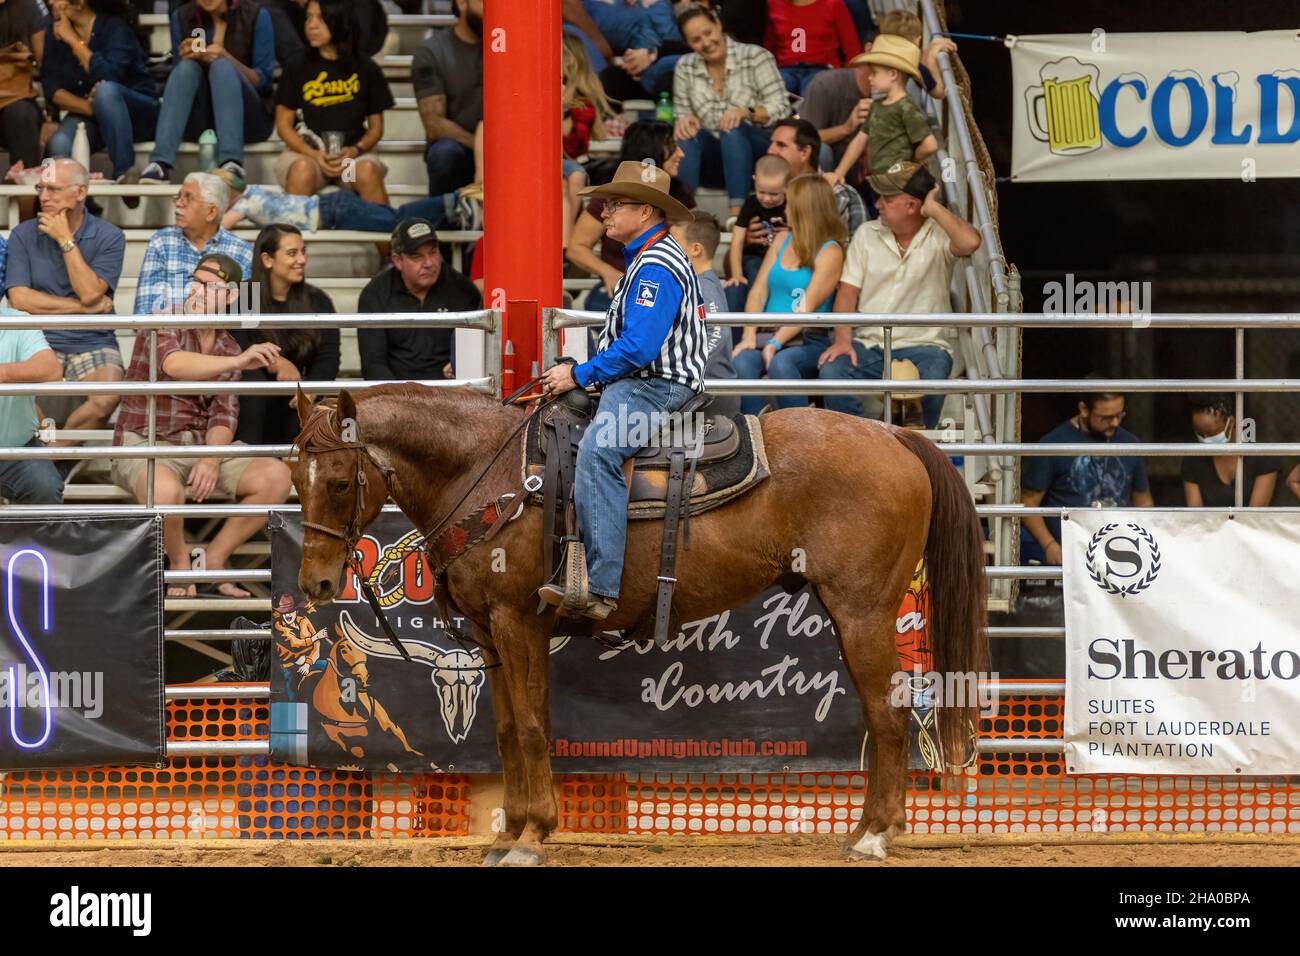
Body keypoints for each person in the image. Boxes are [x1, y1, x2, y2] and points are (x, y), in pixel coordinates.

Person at [537, 161, 707, 621]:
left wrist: (580, 375)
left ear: (647, 211)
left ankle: (600, 586)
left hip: (655, 387)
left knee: (598, 451)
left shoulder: (654, 265)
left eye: (615, 204)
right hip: (647, 381)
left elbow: (639, 348)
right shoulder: (652, 257)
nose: (604, 211)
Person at [113, 253, 293, 598]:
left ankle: (214, 559)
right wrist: (240, 359)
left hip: (197, 444)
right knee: (165, 491)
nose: (195, 291)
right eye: (194, 282)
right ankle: (180, 563)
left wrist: (210, 458)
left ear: (230, 297)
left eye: (208, 286)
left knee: (277, 475)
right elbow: (175, 365)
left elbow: (224, 414)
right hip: (145, 441)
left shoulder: (227, 343)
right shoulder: (164, 320)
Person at [819, 161, 980, 428]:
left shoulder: (939, 234)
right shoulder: (866, 233)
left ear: (913, 205)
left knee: (934, 379)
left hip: (926, 344)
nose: (878, 204)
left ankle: (915, 452)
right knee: (832, 371)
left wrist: (934, 208)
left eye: (887, 198)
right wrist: (843, 339)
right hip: (870, 343)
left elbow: (971, 242)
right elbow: (847, 293)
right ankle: (861, 444)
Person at [5, 158, 125, 444]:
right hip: (39, 339)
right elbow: (20, 299)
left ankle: (54, 456)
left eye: (54, 189)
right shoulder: (23, 234)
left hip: (92, 340)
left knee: (108, 395)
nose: (43, 197)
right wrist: (84, 309)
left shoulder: (109, 236)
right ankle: (44, 460)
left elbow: (89, 292)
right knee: (19, 398)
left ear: (80, 193)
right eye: (40, 188)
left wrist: (65, 240)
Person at [736, 173, 845, 411]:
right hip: (766, 333)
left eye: (790, 204)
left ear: (804, 209)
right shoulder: (783, 238)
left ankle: (799, 438)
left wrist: (775, 343)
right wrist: (748, 336)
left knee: (783, 363)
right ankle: (756, 436)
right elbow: (758, 292)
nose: (785, 209)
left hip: (806, 338)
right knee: (742, 361)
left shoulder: (831, 251)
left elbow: (807, 306)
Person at [672, 4, 791, 220]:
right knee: (685, 135)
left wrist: (746, 112)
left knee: (732, 129)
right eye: (696, 40)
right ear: (688, 43)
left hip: (757, 152)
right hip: (714, 157)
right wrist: (685, 120)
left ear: (718, 24)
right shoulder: (684, 66)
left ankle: (738, 215)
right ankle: (683, 214)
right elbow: (682, 114)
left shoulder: (755, 56)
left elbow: (782, 108)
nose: (706, 43)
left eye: (708, 33)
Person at [140, 0, 276, 183]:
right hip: (201, 118)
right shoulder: (182, 17)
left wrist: (227, 58)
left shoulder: (256, 15)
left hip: (247, 118)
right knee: (186, 68)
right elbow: (180, 79)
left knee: (222, 67)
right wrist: (189, 58)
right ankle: (160, 163)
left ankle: (231, 162)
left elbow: (264, 81)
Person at [273, 0, 393, 205]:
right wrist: (313, 154)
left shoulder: (365, 67)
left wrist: (355, 150)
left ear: (339, 21)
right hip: (310, 158)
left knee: (366, 171)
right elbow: (284, 126)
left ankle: (390, 237)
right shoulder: (297, 65)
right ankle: (290, 237)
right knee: (302, 171)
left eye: (320, 18)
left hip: (349, 161)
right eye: (308, 17)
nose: (311, 25)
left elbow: (376, 128)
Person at [566, 120, 692, 314]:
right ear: (653, 149)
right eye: (673, 146)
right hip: (619, 288)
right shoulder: (613, 195)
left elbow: (696, 244)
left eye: (615, 205)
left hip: (664, 284)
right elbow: (576, 247)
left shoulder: (681, 193)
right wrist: (609, 272)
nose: (681, 153)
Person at [1020, 390, 1155, 566]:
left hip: (1120, 552)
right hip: (1070, 552)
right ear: (1084, 409)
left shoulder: (1130, 442)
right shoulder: (1053, 444)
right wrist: (1049, 545)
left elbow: (1143, 501)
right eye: (1105, 417)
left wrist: (1149, 539)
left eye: (1119, 415)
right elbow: (1028, 502)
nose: (1115, 423)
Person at [233, 224, 339, 446]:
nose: (301, 259)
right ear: (267, 260)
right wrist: (275, 361)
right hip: (251, 402)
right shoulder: (247, 295)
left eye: (303, 251)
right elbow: (236, 344)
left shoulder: (317, 300)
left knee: (308, 404)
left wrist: (312, 389)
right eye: (292, 253)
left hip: (297, 395)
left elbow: (327, 357)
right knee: (252, 383)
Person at [42, 0, 158, 196]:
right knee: (60, 142)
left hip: (134, 111)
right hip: (89, 114)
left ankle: (125, 174)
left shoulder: (115, 27)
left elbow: (109, 76)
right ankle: (76, 206)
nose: (51, 2)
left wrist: (73, 41)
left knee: (106, 91)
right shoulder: (54, 33)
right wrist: (91, 107)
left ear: (79, 3)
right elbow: (53, 91)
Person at [357, 219, 482, 382]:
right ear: (397, 260)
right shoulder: (374, 294)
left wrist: (460, 367)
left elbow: (473, 358)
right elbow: (373, 364)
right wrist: (397, 400)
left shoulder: (463, 290)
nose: (429, 263)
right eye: (417, 257)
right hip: (396, 395)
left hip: (450, 394)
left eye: (433, 252)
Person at [134, 171, 252, 315]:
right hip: (168, 336)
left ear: (211, 212)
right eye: (178, 197)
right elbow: (144, 311)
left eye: (188, 199)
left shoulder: (243, 252)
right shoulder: (161, 242)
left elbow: (245, 316)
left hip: (219, 336)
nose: (178, 204)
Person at [217, 168, 475, 233]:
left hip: (332, 211)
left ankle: (450, 203)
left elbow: (219, 227)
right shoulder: (254, 190)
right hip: (333, 206)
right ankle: (450, 208)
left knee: (396, 221)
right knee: (395, 216)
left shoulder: (245, 203)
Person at [826, 34, 938, 184]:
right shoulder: (877, 105)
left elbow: (930, 145)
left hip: (899, 184)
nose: (869, 78)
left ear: (893, 75)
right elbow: (859, 140)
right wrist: (839, 172)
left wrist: (910, 162)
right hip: (880, 180)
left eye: (874, 73)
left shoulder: (907, 108)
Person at [670, 210, 739, 417]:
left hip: (711, 395)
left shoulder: (703, 287)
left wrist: (683, 367)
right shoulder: (698, 283)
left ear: (696, 249)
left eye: (674, 241)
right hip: (704, 390)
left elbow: (717, 332)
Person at [412, 0, 482, 196]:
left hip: (501, 147)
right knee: (445, 153)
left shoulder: (506, 46)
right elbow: (434, 124)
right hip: (461, 147)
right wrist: (481, 146)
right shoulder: (432, 51)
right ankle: (447, 219)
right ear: (461, 3)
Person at [767, 117, 866, 233]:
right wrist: (747, 239)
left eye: (781, 145)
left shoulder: (838, 195)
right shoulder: (764, 190)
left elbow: (853, 249)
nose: (770, 150)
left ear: (804, 152)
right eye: (771, 143)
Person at [0, 325, 64, 504]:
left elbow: (52, 369)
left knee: (46, 488)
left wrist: (3, 373)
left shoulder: (18, 321)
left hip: (18, 448)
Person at [1181, 394, 1279, 507]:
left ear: (1231, 422)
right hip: (1210, 525)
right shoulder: (1192, 461)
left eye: (1211, 433)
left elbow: (1254, 515)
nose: (1205, 439)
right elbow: (1196, 515)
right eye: (1200, 434)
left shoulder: (1262, 455)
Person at [724, 153, 790, 313]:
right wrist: (737, 275)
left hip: (782, 257)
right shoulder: (751, 204)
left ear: (787, 186)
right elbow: (737, 241)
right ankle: (759, 313)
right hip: (754, 257)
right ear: (754, 180)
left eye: (774, 194)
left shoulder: (791, 206)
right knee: (755, 269)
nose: (767, 199)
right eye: (761, 192)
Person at [0, 0, 46, 221]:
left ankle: (27, 217)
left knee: (21, 115)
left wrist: (53, 116)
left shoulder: (28, 7)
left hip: (16, 98)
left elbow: (46, 63)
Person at [588, 0, 683, 100]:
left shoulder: (660, 7)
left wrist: (651, 54)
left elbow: (671, 36)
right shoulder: (659, 7)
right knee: (609, 77)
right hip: (642, 48)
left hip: (659, 54)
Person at [764, 0, 860, 96]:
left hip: (823, 68)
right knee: (772, 91)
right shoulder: (774, 4)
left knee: (812, 92)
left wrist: (851, 85)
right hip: (787, 68)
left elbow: (852, 48)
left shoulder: (833, 4)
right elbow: (769, 46)